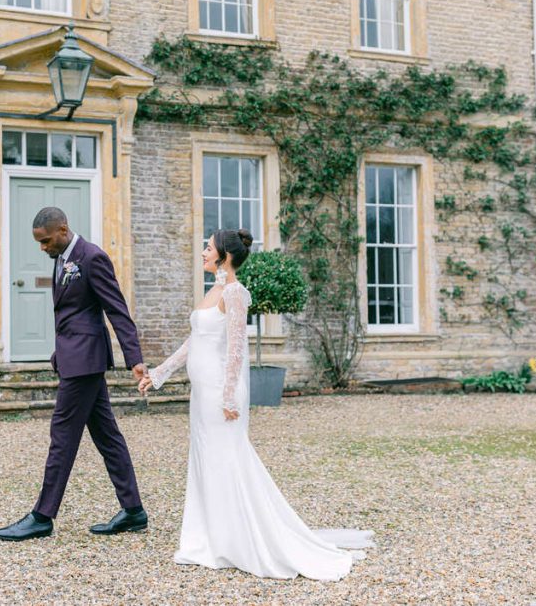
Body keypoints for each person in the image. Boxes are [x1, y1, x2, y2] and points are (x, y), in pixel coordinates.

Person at [139, 228, 374, 580]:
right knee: (206, 460)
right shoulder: (214, 290)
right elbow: (195, 342)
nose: (203, 251)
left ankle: (237, 540)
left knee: (227, 460)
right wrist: (158, 375)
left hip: (221, 393)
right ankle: (208, 538)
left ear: (224, 257)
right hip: (201, 393)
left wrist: (230, 395)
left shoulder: (234, 293)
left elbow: (236, 348)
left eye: (208, 247)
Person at [0, 207, 150, 541]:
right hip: (75, 358)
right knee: (107, 436)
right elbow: (71, 313)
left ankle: (42, 516)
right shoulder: (62, 258)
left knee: (62, 437)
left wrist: (133, 357)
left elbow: (116, 309)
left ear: (62, 229)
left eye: (46, 240)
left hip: (85, 362)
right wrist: (59, 352)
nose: (42, 248)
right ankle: (133, 511)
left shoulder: (92, 258)